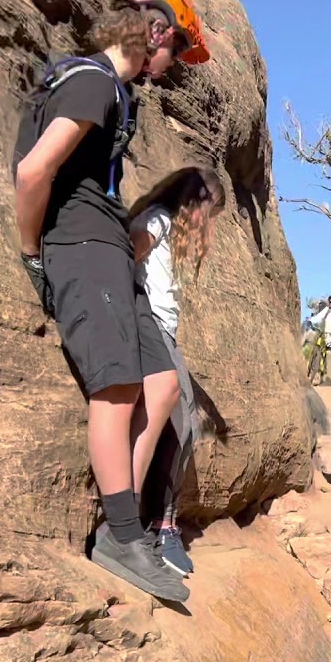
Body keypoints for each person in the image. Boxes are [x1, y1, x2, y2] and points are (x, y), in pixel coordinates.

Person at [11, 0, 209, 603]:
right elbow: (32, 170)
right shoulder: (93, 80)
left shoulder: (118, 95)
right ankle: (120, 537)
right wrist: (32, 253)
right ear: (154, 32)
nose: (172, 63)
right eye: (175, 47)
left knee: (163, 382)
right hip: (81, 248)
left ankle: (128, 522)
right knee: (118, 388)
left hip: (111, 253)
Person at [128, 166, 226, 575]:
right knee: (180, 420)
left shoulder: (167, 226)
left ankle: (158, 522)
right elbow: (127, 253)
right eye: (211, 210)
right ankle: (156, 524)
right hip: (150, 325)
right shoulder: (157, 220)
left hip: (165, 329)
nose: (209, 221)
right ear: (195, 201)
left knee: (183, 425)